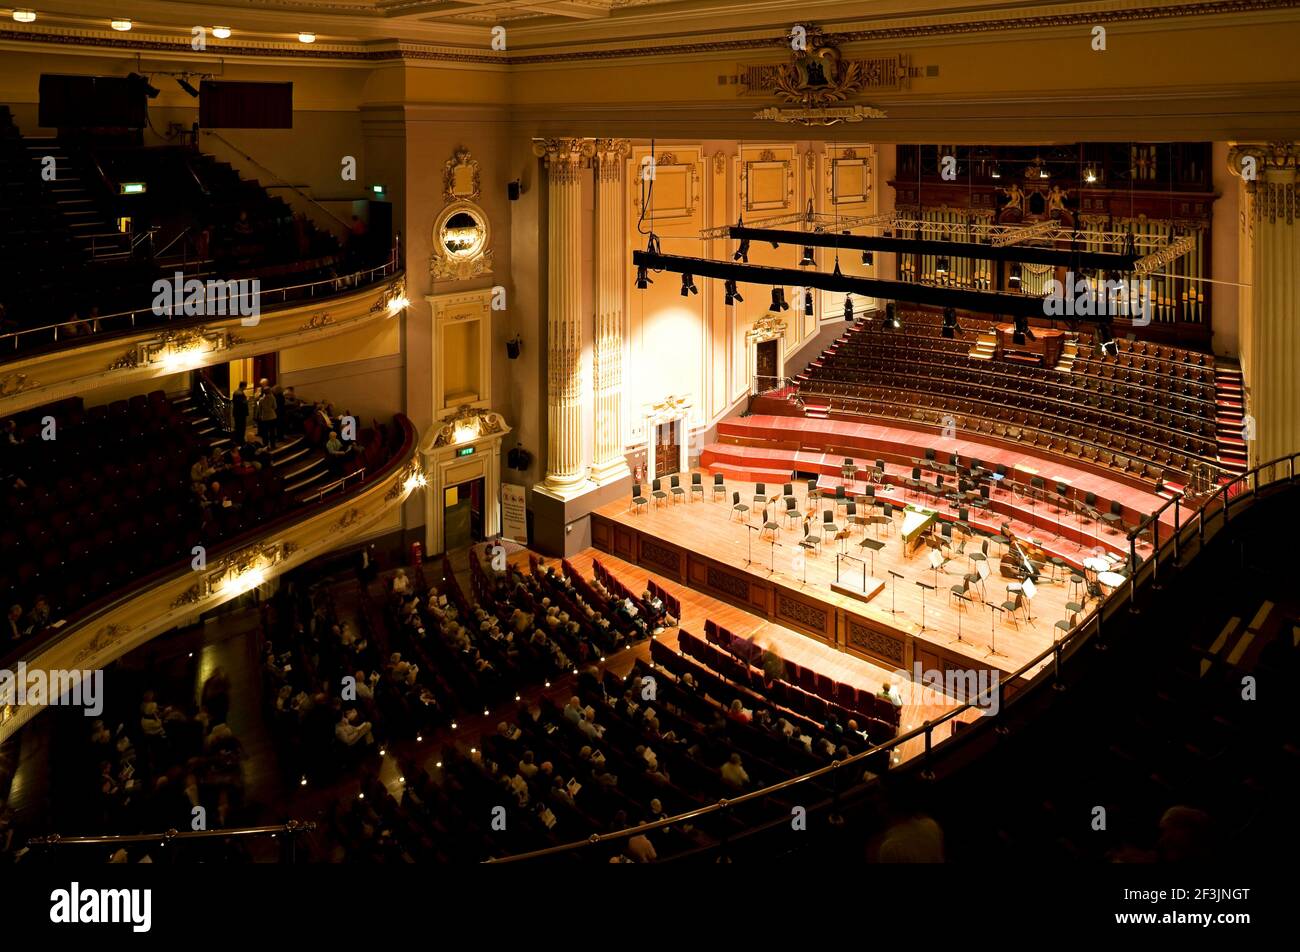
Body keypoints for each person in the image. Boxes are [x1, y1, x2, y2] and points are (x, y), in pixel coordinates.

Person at [253, 383, 278, 449]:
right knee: (272, 432)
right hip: (272, 416)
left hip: (265, 417)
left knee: (265, 432)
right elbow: (275, 407)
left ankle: (266, 445)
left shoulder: (261, 400)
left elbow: (259, 409)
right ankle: (273, 445)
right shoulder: (273, 398)